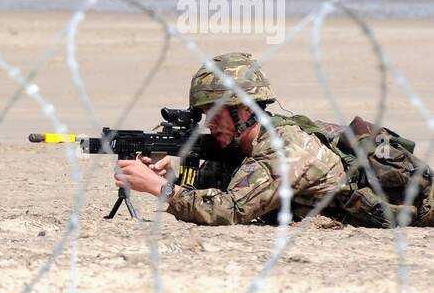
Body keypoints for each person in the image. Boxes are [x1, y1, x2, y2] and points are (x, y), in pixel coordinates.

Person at [113, 52, 434, 226]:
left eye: (216, 114)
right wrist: (175, 174)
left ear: (245, 111)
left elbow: (230, 209)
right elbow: (227, 183)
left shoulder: (284, 150)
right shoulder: (251, 144)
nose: (209, 125)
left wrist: (159, 189)